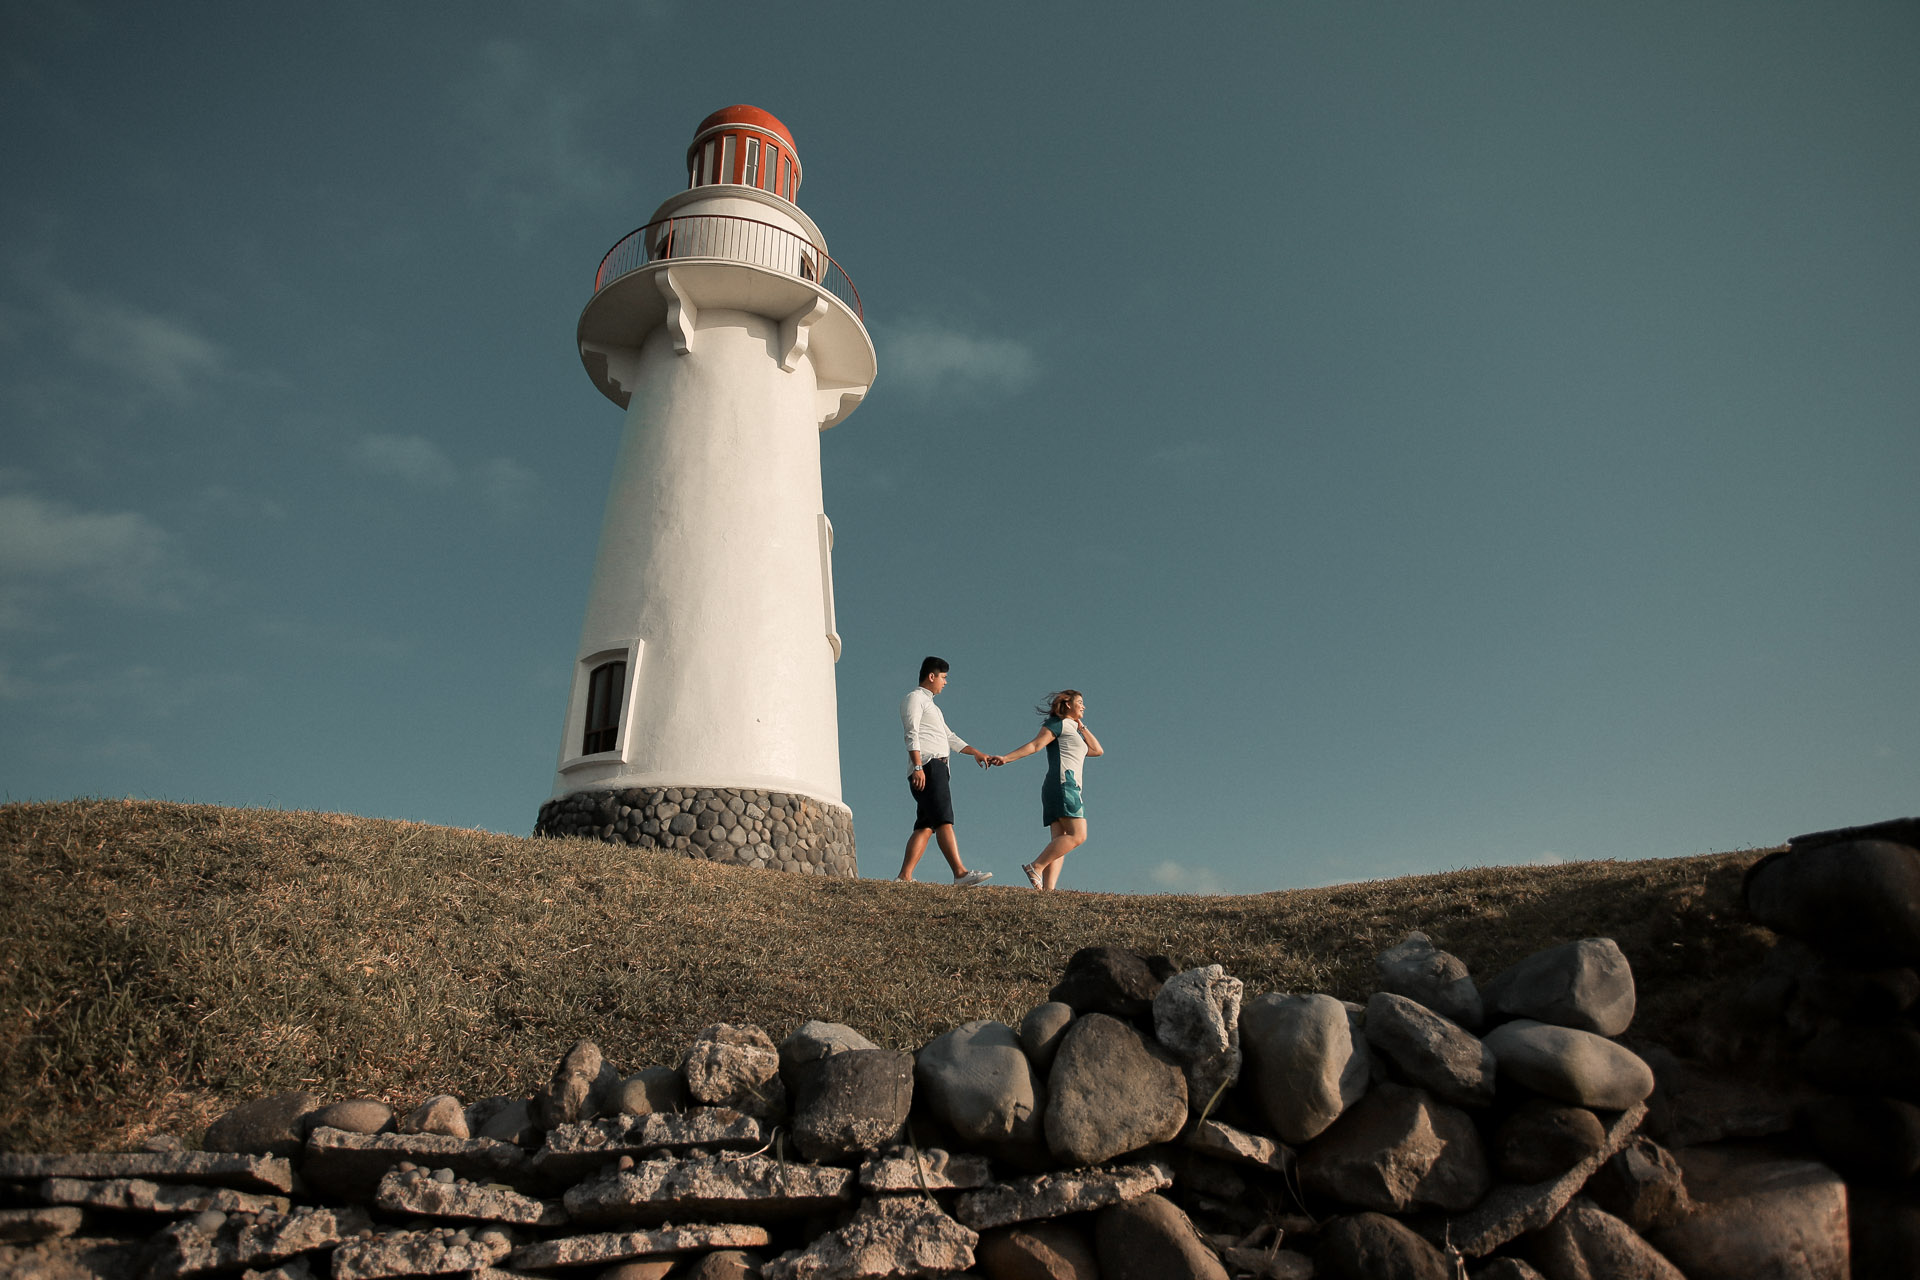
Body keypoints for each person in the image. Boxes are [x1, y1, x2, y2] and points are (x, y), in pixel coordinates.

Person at [989, 690, 1103, 889]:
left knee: (1059, 841)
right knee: (1078, 835)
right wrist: (1006, 758)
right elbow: (1035, 745)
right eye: (1080, 702)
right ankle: (1036, 866)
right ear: (1068, 704)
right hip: (1063, 786)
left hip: (1066, 787)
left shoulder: (1073, 730)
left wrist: (1081, 726)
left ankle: (1049, 891)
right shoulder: (1057, 724)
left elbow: (1096, 750)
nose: (1084, 706)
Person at [898, 656, 994, 886]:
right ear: (932, 676)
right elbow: (911, 732)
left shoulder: (934, 707)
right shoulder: (914, 699)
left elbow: (950, 737)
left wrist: (976, 752)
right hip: (929, 766)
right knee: (944, 820)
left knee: (926, 825)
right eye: (943, 677)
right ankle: (960, 873)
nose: (945, 682)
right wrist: (919, 766)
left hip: (937, 766)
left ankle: (904, 877)